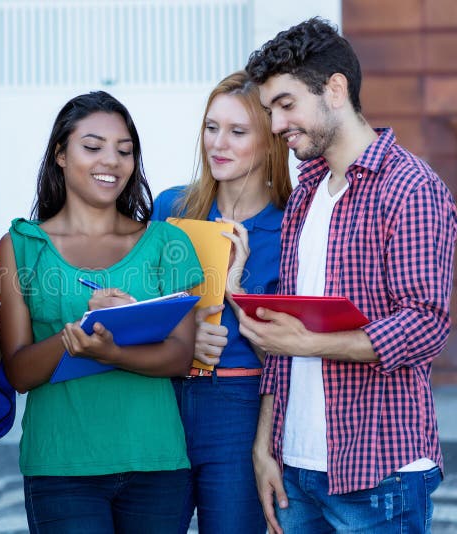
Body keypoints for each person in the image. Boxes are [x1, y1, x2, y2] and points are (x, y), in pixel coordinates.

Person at [240, 18, 457, 534]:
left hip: (380, 473)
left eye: (286, 104)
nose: (276, 125)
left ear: (335, 90)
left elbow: (426, 325)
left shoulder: (410, 188)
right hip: (296, 470)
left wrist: (310, 343)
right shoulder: (306, 193)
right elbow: (283, 338)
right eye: (271, 111)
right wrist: (265, 446)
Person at [0, 91, 204, 533]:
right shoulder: (21, 246)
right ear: (60, 155)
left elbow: (182, 357)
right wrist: (79, 333)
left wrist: (112, 351)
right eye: (92, 147)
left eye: (124, 151)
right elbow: (18, 372)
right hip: (61, 468)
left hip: (156, 463)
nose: (111, 161)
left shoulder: (168, 243)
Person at [151, 70, 292, 533]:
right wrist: (184, 338)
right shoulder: (171, 208)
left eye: (237, 132)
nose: (218, 143)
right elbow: (144, 307)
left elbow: (288, 350)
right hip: (163, 399)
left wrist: (237, 291)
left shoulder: (292, 225)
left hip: (241, 405)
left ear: (270, 141)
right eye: (212, 127)